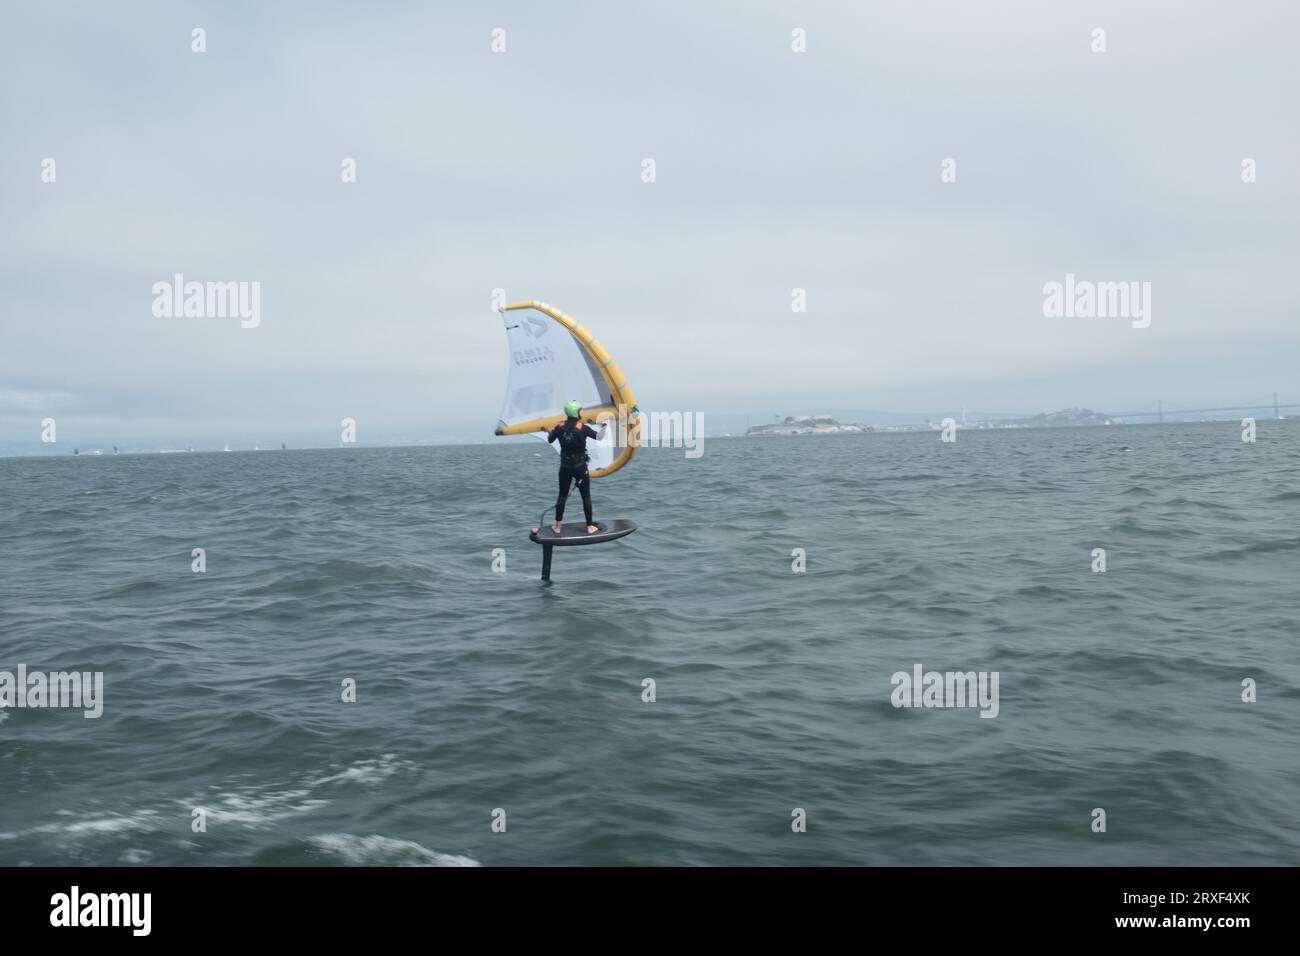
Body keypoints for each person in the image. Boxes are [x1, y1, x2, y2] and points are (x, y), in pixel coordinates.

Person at [543, 400, 603, 534]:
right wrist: (605, 426)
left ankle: (557, 527)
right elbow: (599, 437)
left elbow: (550, 439)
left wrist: (550, 431)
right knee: (586, 496)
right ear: (576, 412)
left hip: (565, 467)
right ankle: (589, 527)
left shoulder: (559, 427)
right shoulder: (583, 428)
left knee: (562, 496)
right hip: (580, 467)